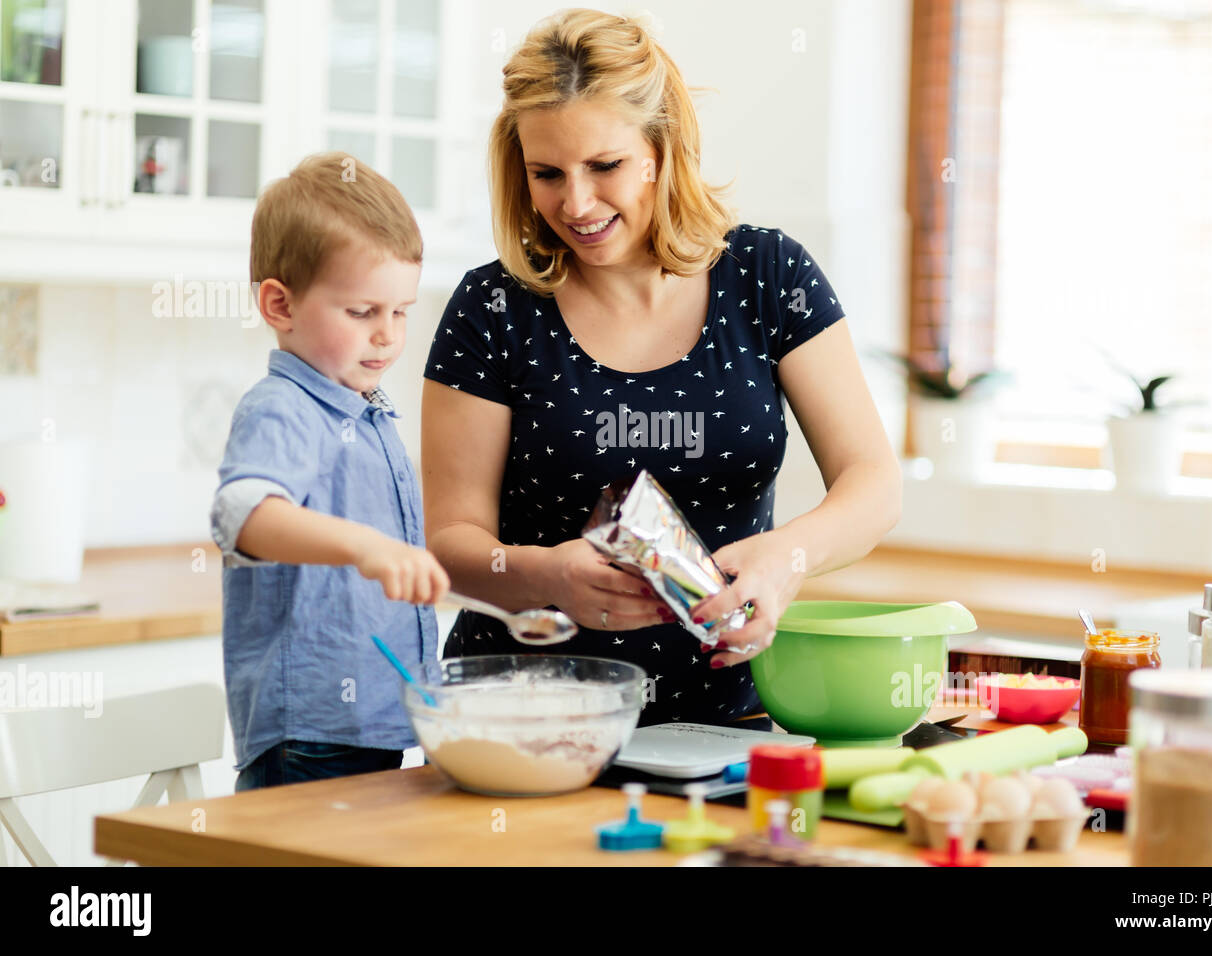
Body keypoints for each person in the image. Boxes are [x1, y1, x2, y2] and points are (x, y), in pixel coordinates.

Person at [421, 10, 901, 728]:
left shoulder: (768, 276)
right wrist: (547, 576)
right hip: (523, 723)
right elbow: (453, 544)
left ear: (661, 147)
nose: (575, 204)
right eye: (546, 173)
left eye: (604, 166)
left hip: (726, 725)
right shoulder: (492, 309)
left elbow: (874, 483)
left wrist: (786, 557)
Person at [211, 152, 450, 790]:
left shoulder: (367, 412)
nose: (387, 337)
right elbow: (242, 515)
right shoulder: (284, 408)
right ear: (280, 305)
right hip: (310, 739)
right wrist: (365, 546)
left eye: (400, 312)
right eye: (362, 312)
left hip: (371, 726)